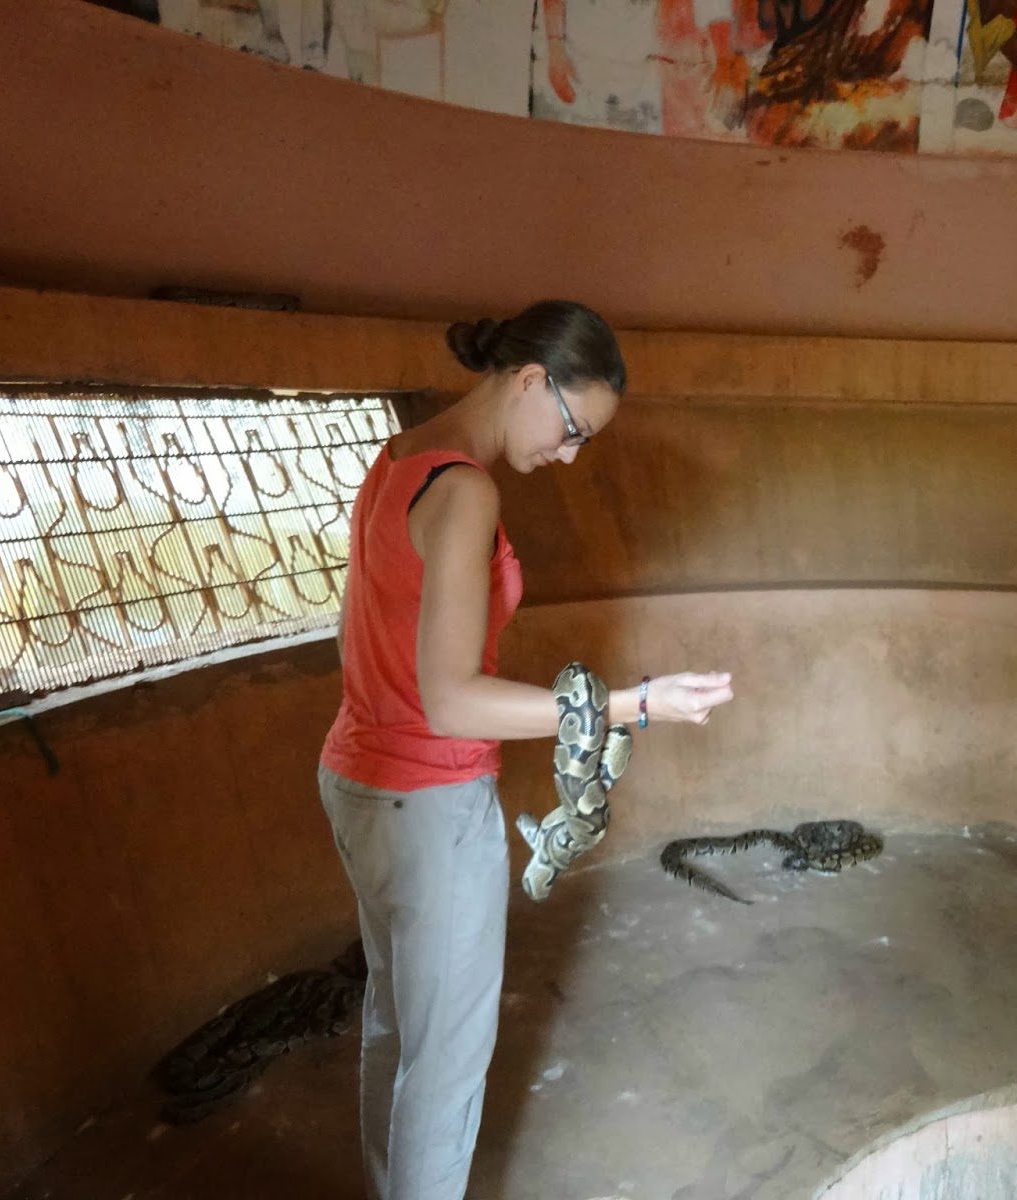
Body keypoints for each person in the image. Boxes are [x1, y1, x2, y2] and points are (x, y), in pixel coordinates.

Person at [316, 300, 734, 1200]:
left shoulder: (401, 457)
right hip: (429, 804)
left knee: (396, 1028)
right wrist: (635, 705)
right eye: (575, 427)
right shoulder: (466, 490)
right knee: (446, 1067)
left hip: (356, 778)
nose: (572, 455)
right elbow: (452, 699)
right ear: (531, 379)